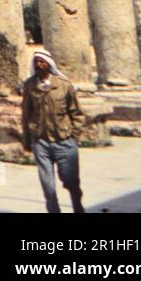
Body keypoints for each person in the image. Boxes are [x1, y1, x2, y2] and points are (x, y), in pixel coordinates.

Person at [21, 50, 85, 214]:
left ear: (49, 64)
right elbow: (26, 114)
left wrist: (74, 136)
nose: (38, 65)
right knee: (48, 186)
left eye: (42, 62)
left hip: (64, 140)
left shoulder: (64, 84)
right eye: (36, 62)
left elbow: (76, 112)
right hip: (41, 141)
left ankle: (78, 207)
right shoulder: (30, 85)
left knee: (70, 182)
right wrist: (27, 141)